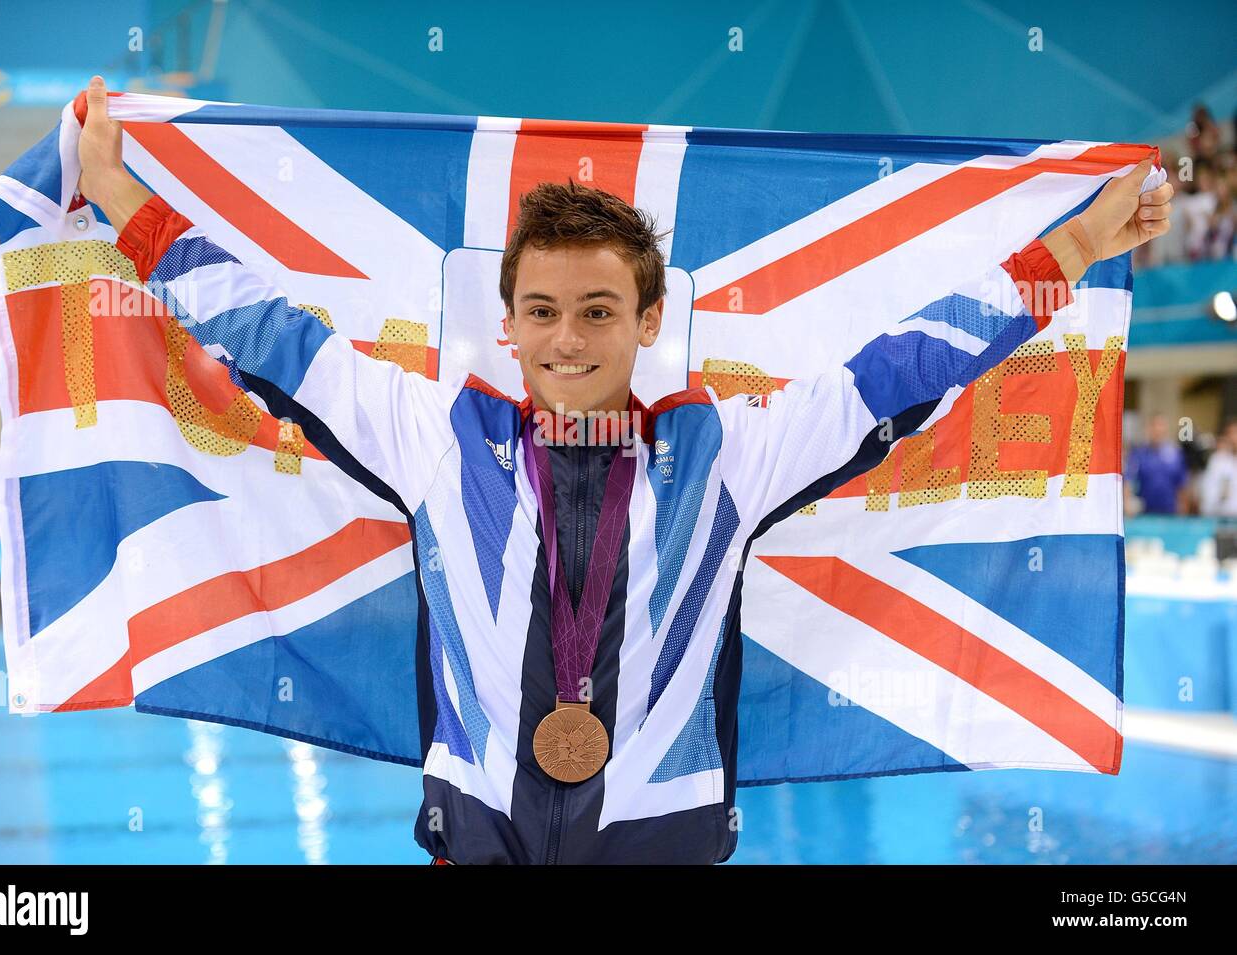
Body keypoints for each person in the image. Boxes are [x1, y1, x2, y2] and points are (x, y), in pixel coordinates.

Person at [77, 76, 1174, 864]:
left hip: (665, 837)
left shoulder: (727, 455)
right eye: (543, 312)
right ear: (505, 325)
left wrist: (1072, 250)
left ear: (648, 318)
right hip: (478, 835)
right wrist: (121, 199)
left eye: (599, 310)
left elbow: (901, 370)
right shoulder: (433, 437)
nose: (568, 338)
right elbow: (267, 335)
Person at [1127, 414, 1190, 515]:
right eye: (1154, 426)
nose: (1157, 430)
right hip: (1145, 514)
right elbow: (1128, 481)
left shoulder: (1176, 454)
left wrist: (1183, 510)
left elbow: (1182, 485)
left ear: (1165, 429)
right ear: (1148, 429)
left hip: (1170, 513)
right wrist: (1127, 505)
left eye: (1160, 426)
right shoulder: (1139, 453)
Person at [1198, 421, 1237, 518]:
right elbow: (1207, 494)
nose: (1234, 438)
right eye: (1231, 433)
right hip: (1221, 518)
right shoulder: (1217, 460)